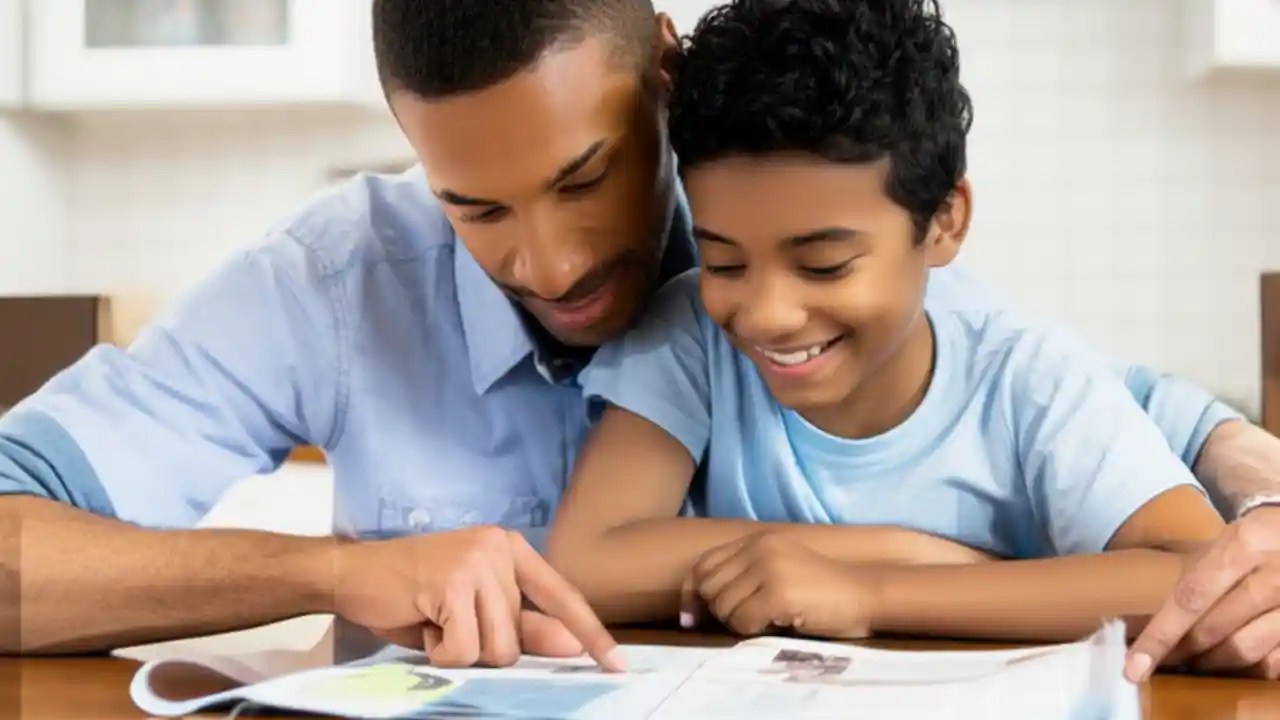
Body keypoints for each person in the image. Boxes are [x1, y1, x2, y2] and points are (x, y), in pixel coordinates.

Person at [0, 0, 1275, 673]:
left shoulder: (763, 215)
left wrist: (1222, 445)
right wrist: (321, 574)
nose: (544, 265)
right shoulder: (326, 288)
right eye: (473, 208)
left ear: (661, 74)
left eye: (582, 177)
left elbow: (1017, 372)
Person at [546, 0, 1235, 648]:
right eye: (724, 262)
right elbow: (586, 563)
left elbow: (1200, 572)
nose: (767, 314)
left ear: (944, 220)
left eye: (824, 266)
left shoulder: (1029, 380)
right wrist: (907, 550)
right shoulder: (690, 336)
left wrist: (872, 593)